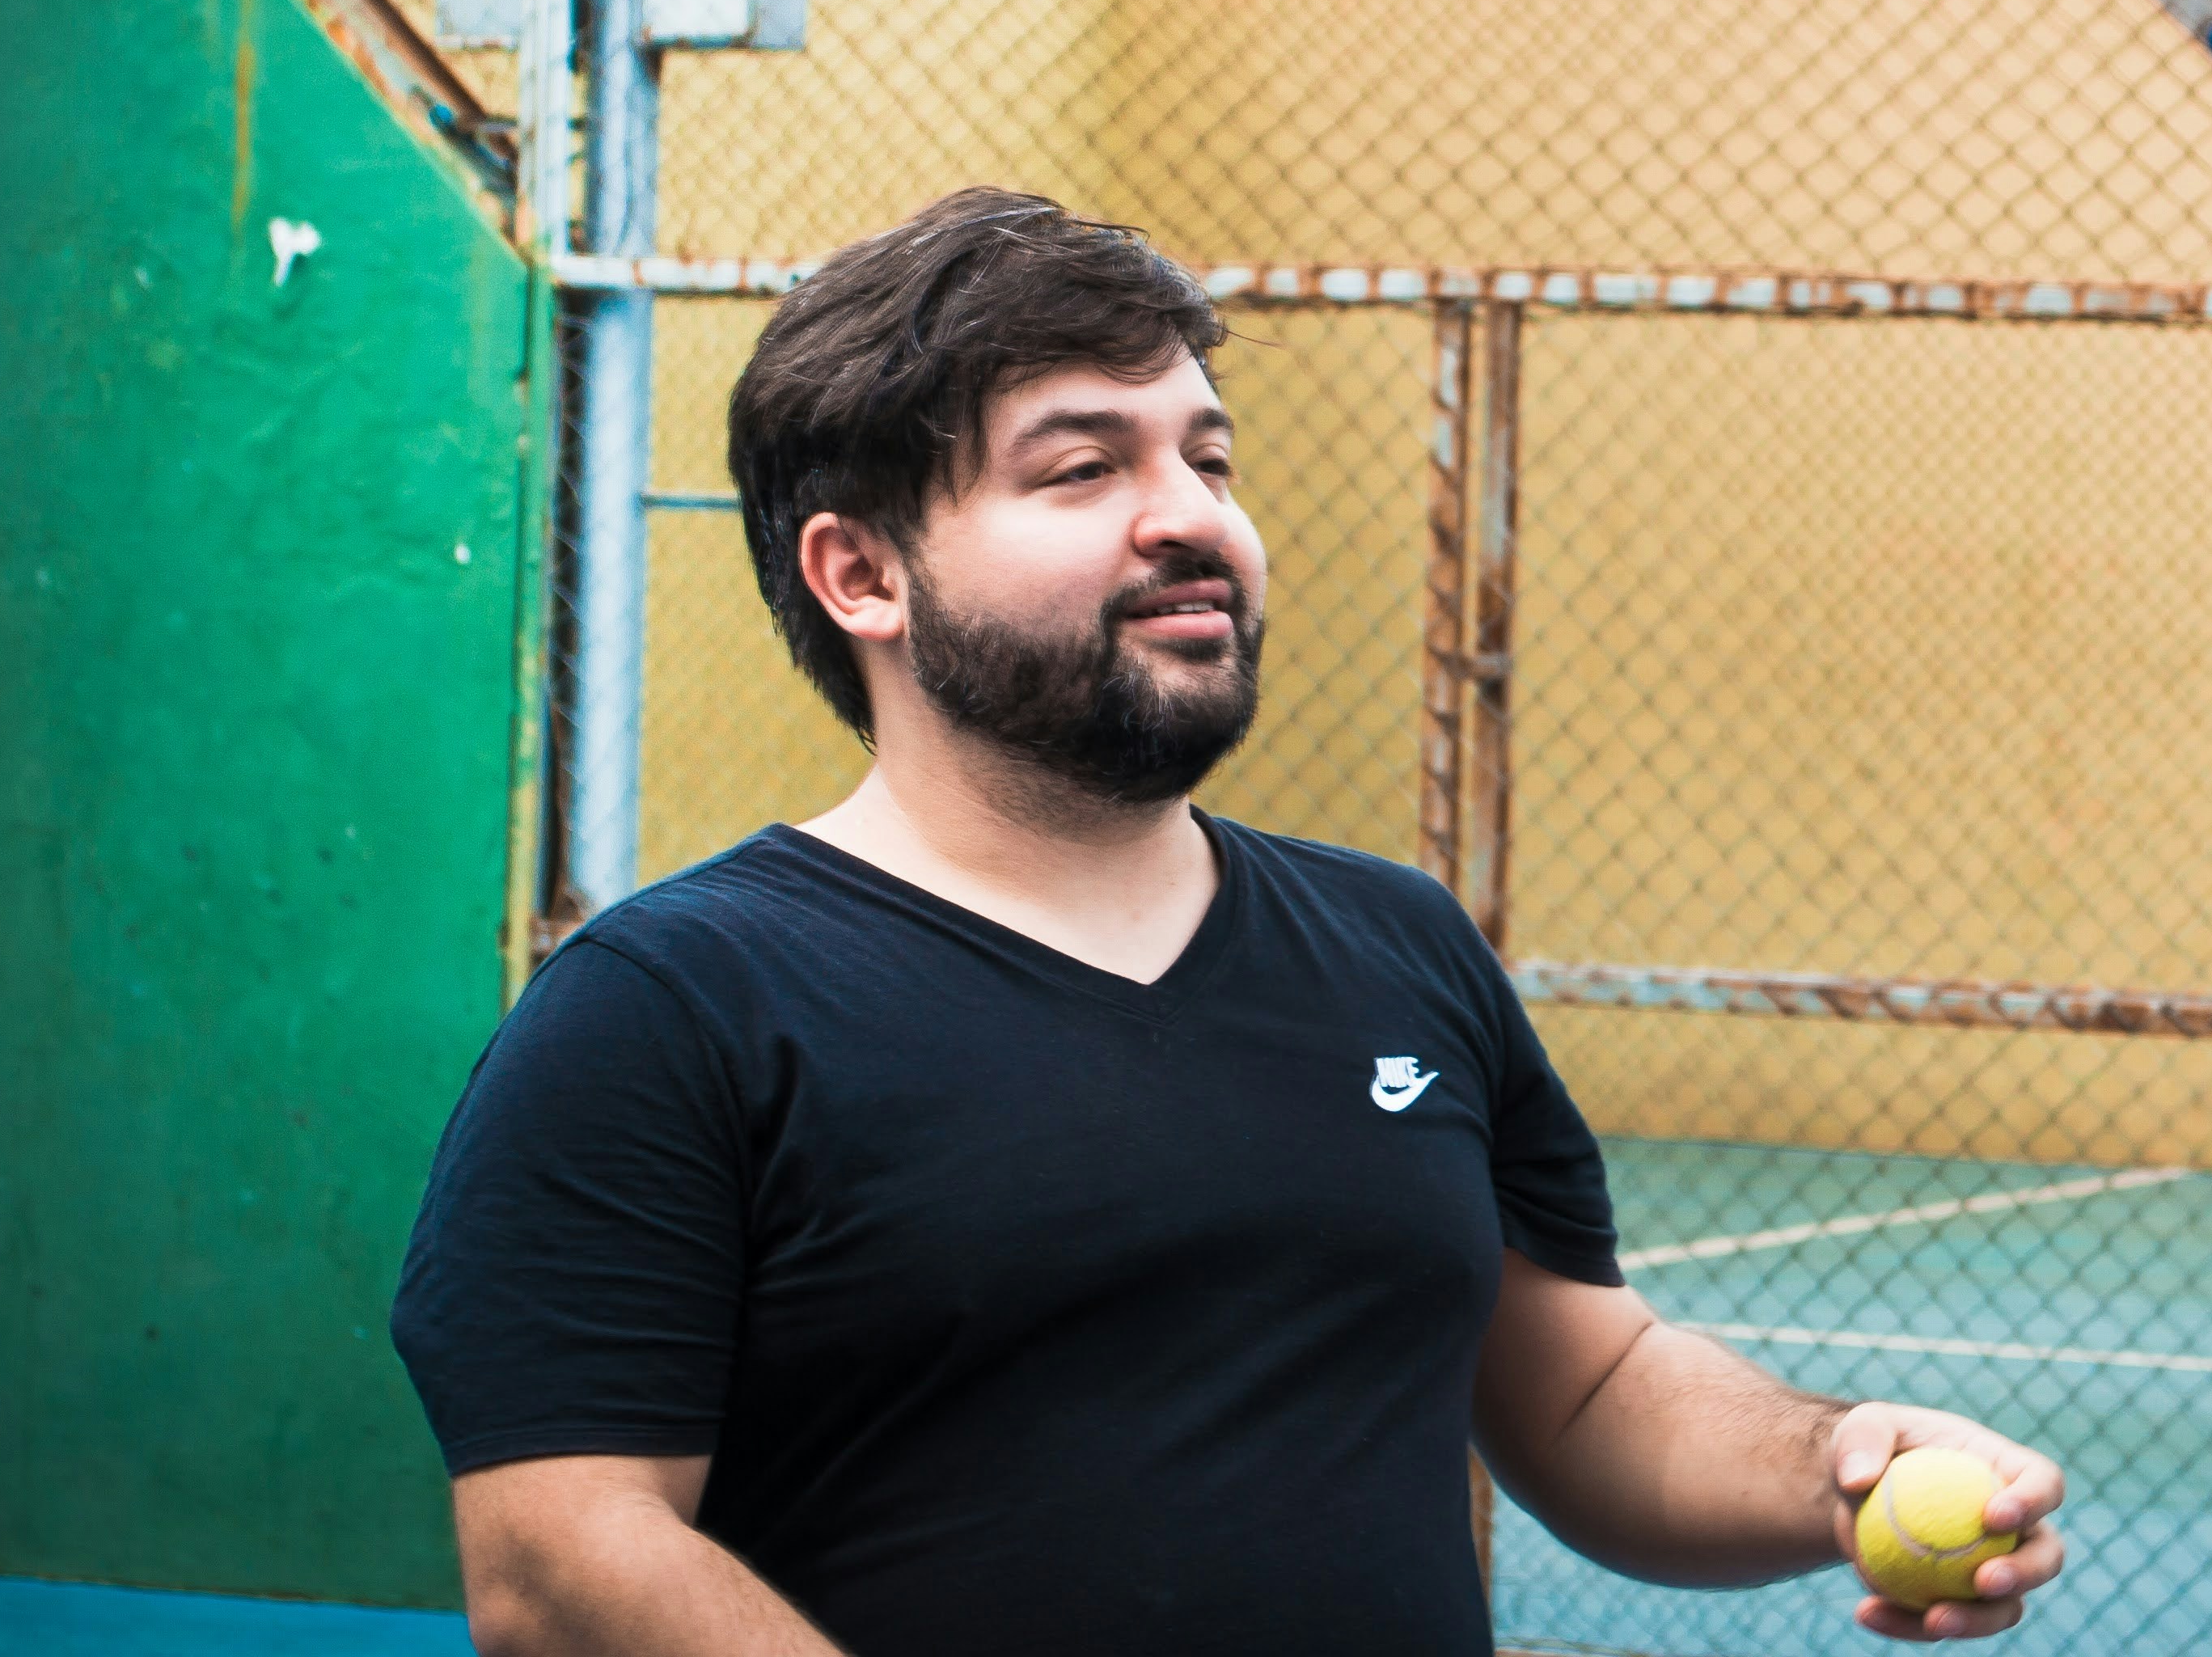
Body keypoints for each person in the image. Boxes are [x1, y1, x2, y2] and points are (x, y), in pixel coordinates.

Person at [389, 191, 2067, 1657]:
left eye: (1207, 455)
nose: (1190, 514)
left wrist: (1831, 1465)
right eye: (1082, 468)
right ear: (862, 577)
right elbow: (563, 1559)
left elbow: (1583, 1393)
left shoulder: (1400, 949)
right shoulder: (674, 1010)